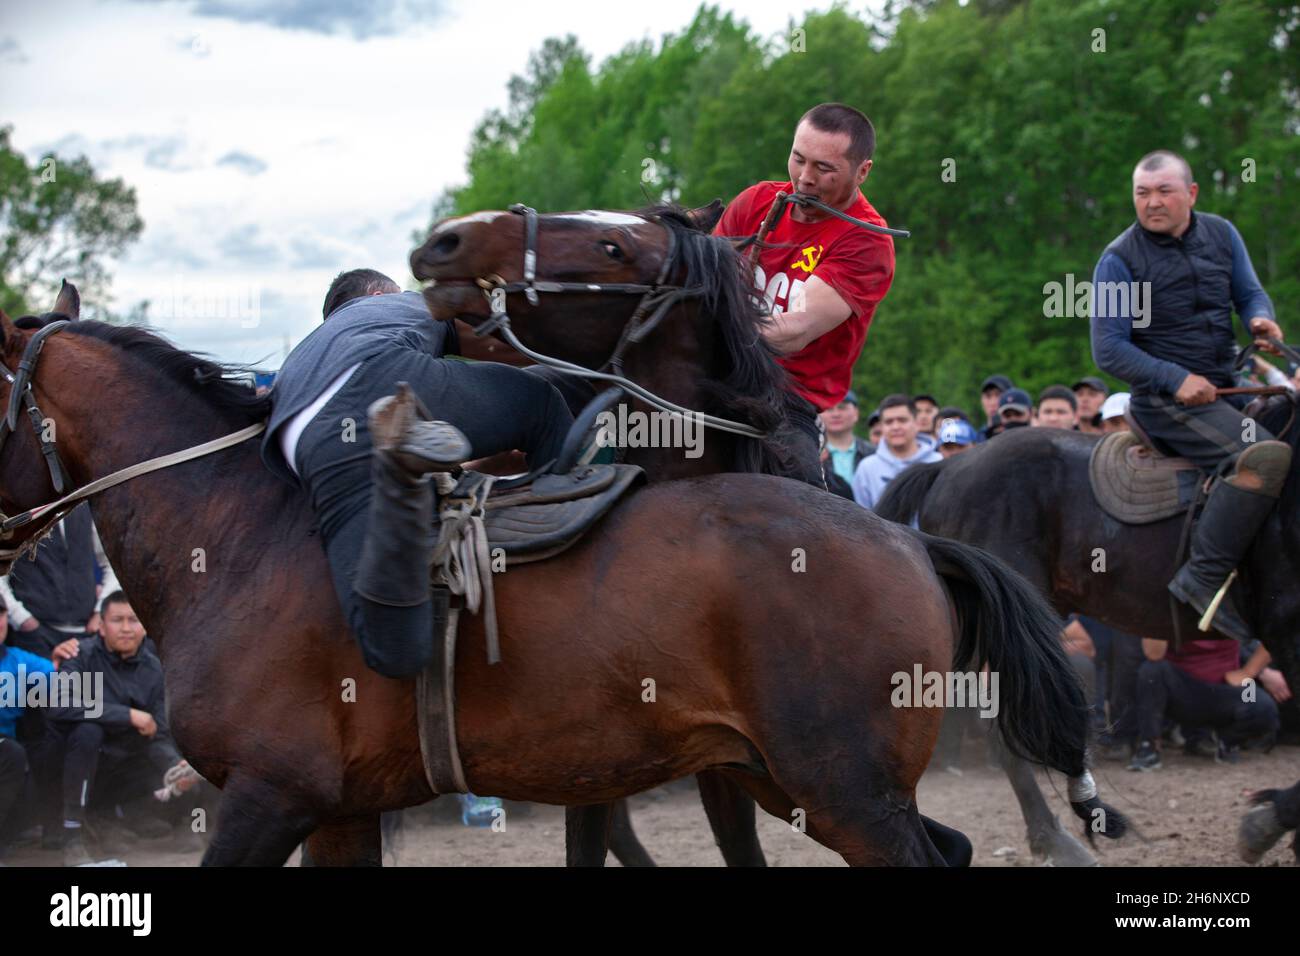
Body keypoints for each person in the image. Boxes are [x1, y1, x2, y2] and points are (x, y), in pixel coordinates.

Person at [262, 272, 575, 679]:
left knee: (396, 650)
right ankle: (588, 550)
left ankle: (400, 484)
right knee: (541, 402)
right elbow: (503, 340)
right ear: (376, 292)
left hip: (304, 440)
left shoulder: (305, 353)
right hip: (385, 382)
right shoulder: (392, 305)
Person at [1091, 149, 1289, 642]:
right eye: (1142, 193)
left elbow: (1249, 294)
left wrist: (1259, 319)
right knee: (1261, 458)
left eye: (1164, 191)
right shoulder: (1118, 260)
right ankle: (1201, 579)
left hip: (1227, 386)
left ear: (1191, 194)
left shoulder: (1222, 234)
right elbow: (1109, 349)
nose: (1152, 202)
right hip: (1165, 403)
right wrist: (1175, 378)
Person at [713, 103, 896, 484]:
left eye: (824, 168)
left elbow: (794, 330)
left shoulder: (867, 239)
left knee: (799, 500)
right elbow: (704, 284)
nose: (804, 179)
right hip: (710, 370)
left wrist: (712, 327)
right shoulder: (755, 202)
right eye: (798, 159)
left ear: (862, 171)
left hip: (783, 399)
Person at [46, 592, 199, 864]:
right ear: (102, 626)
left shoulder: (154, 668)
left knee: (184, 759)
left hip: (126, 763)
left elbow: (157, 732)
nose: (126, 628)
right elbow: (58, 704)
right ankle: (73, 834)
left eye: (133, 620)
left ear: (145, 627)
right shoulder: (81, 655)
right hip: (77, 762)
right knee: (88, 732)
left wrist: (176, 766)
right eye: (117, 620)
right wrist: (126, 715)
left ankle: (122, 818)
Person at [1128, 636, 1285, 771]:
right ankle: (1149, 746)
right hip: (1181, 688)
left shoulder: (1231, 605)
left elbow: (1273, 633)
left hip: (1225, 688)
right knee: (1151, 671)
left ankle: (1228, 742)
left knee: (1263, 708)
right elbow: (1154, 654)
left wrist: (1248, 672)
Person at [850, 394, 942, 510]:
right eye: (889, 422)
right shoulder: (867, 469)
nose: (896, 427)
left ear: (917, 423)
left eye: (902, 420)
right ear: (882, 427)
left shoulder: (938, 462)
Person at [819, 389, 874, 488]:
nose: (836, 414)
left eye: (842, 408)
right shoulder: (812, 456)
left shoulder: (874, 453)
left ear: (856, 413)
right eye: (829, 409)